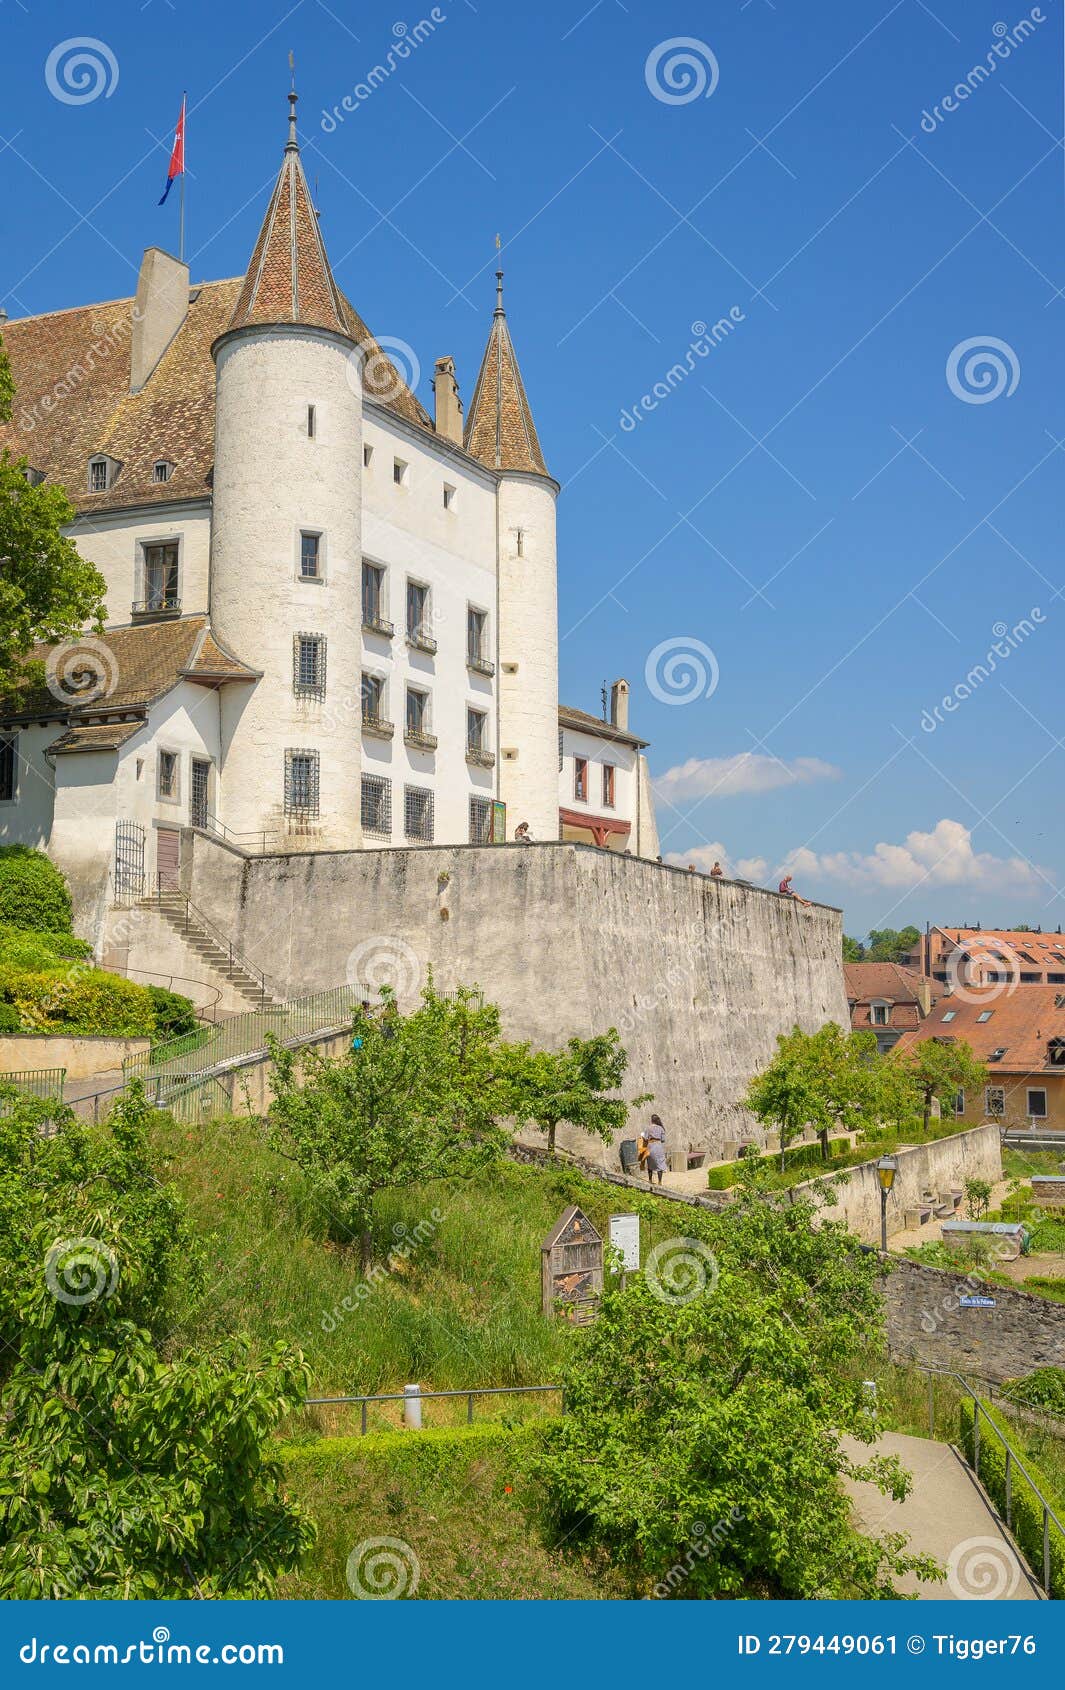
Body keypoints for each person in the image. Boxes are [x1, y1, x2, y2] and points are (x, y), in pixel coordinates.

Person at [644, 1114, 667, 1187]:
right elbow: (663, 1140)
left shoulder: (648, 1128)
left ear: (651, 1120)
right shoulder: (661, 1128)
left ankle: (650, 1180)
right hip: (659, 1146)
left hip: (650, 1146)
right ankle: (659, 1182)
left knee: (650, 1163)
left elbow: (645, 1138)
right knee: (660, 1163)